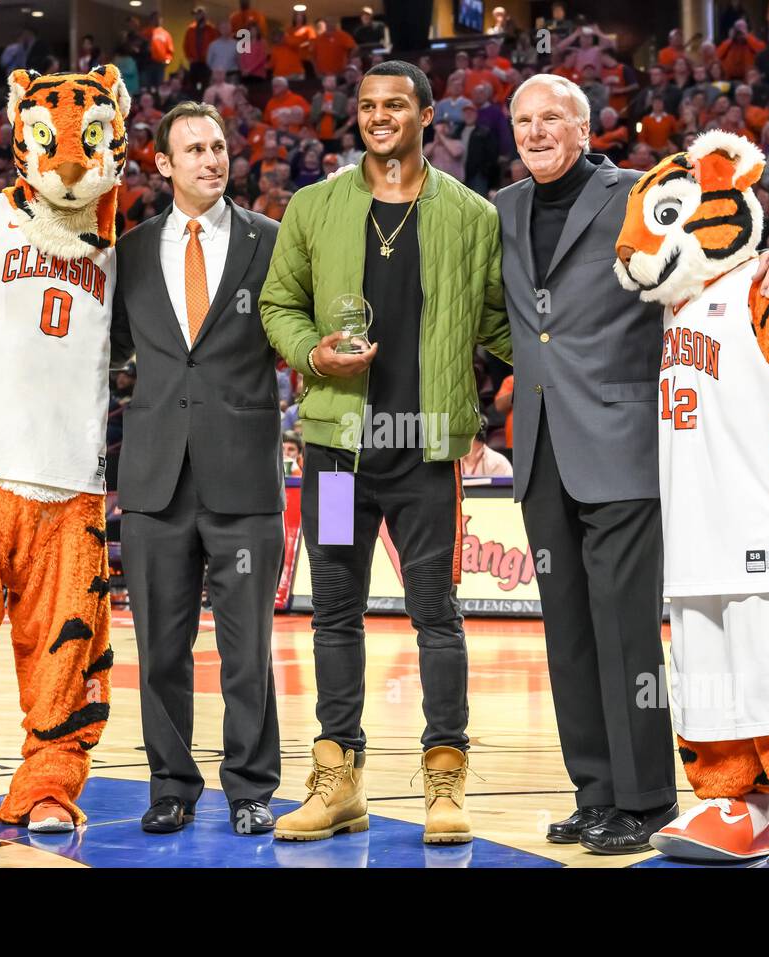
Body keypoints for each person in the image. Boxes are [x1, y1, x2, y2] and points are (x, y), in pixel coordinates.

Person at [495, 73, 769, 854]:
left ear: (584, 125)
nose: (535, 132)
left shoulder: (641, 192)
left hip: (626, 445)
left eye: (551, 119)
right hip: (538, 448)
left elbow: (725, 246)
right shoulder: (496, 209)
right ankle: (594, 791)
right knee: (566, 633)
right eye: (523, 120)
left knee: (627, 633)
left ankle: (642, 801)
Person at [260, 61, 511, 845]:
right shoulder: (314, 205)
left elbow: (504, 324)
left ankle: (444, 779)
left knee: (435, 612)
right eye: (367, 104)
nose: (378, 116)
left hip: (427, 452)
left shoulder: (471, 216)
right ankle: (338, 779)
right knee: (335, 612)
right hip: (338, 454)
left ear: (427, 115)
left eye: (395, 104)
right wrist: (312, 353)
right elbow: (279, 304)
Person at [112, 102, 284, 838]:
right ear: (163, 164)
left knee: (247, 650)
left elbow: (297, 336)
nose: (211, 160)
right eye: (194, 150)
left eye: (218, 147)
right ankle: (171, 786)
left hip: (243, 476)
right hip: (154, 480)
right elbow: (104, 355)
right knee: (160, 652)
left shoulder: (271, 242)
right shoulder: (129, 251)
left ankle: (251, 787)